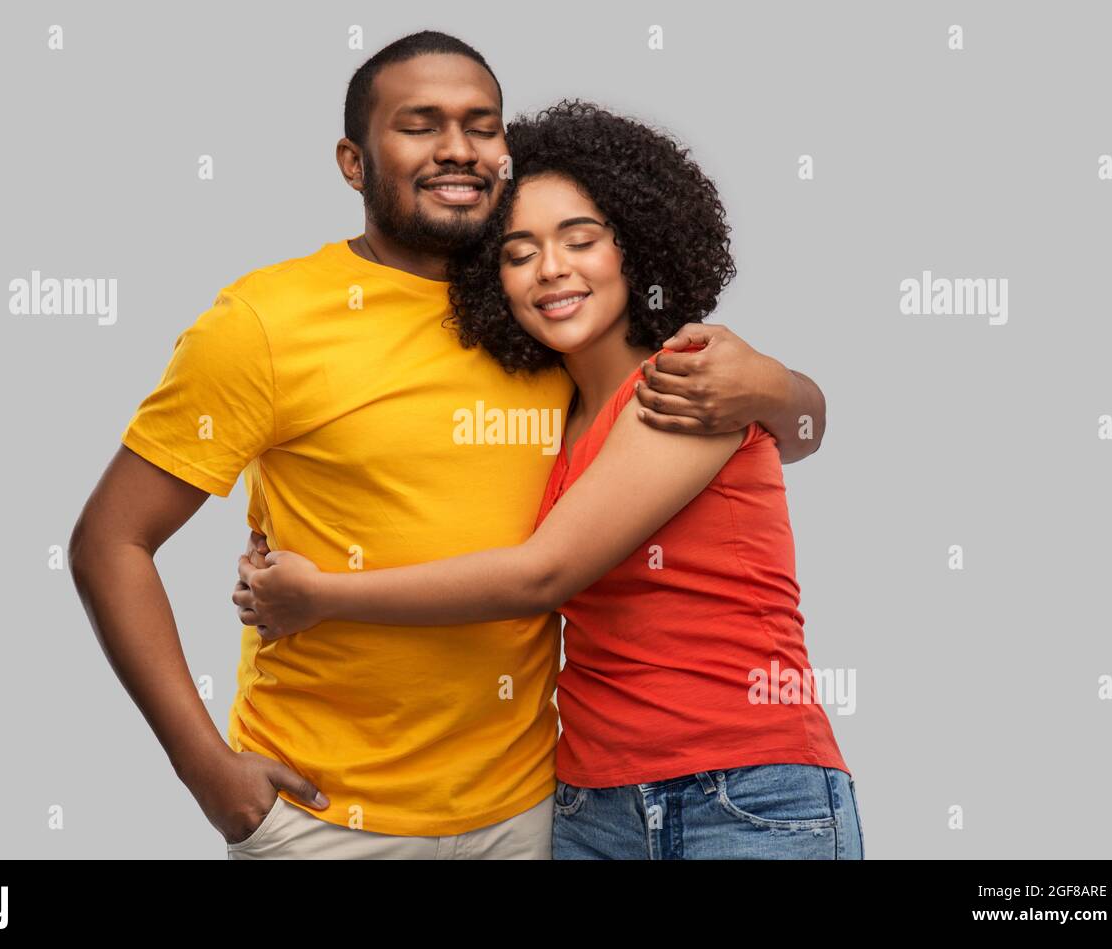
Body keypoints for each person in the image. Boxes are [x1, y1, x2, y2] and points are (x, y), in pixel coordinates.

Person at [70, 31, 828, 860]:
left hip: (542, 808)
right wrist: (207, 772)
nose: (457, 149)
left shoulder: (561, 345)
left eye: (482, 123)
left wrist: (777, 387)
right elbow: (111, 541)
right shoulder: (266, 324)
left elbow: (553, 564)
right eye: (420, 124)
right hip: (326, 811)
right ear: (353, 161)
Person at [234, 99, 862, 860]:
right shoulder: (556, 416)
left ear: (636, 244)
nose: (552, 269)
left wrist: (320, 596)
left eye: (580, 239)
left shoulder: (689, 380)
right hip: (592, 802)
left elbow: (540, 574)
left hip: (742, 792)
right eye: (518, 251)